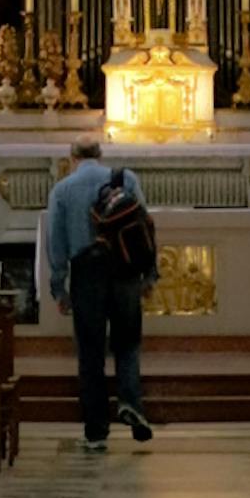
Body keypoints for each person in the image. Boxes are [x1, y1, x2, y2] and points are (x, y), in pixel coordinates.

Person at [40, 137, 156, 453]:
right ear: (101, 155)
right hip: (125, 271)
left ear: (72, 157)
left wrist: (59, 287)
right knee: (127, 343)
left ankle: (96, 432)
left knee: (90, 352)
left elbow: (56, 242)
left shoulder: (62, 190)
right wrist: (149, 274)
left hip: (87, 273)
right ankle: (130, 403)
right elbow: (145, 227)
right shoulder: (125, 179)